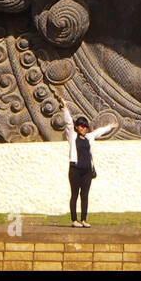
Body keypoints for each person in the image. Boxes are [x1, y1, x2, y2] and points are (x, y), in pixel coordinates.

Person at [59, 93, 116, 228]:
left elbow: (98, 132)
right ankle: (74, 220)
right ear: (77, 127)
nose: (84, 128)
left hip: (87, 171)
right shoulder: (72, 136)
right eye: (81, 126)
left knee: (85, 195)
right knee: (75, 194)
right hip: (75, 169)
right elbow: (68, 122)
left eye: (85, 127)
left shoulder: (90, 137)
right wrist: (64, 107)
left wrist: (110, 126)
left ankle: (84, 219)